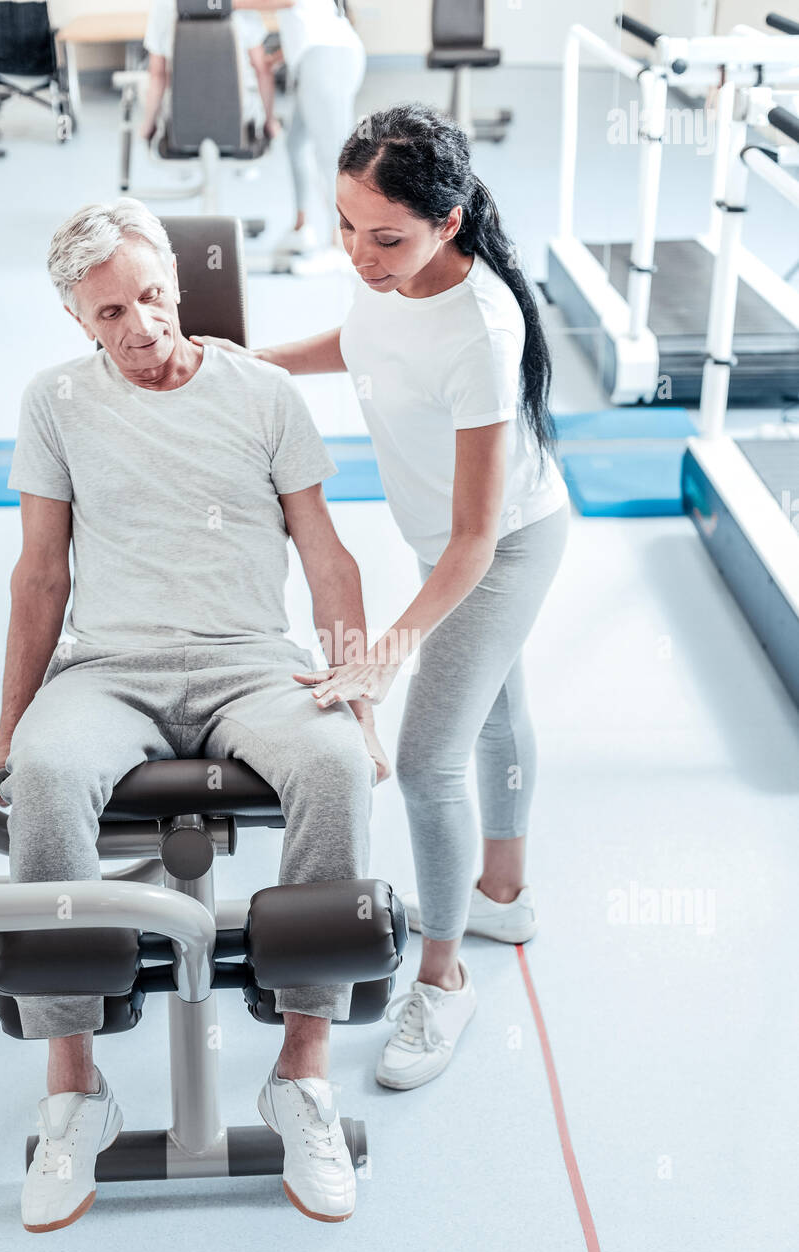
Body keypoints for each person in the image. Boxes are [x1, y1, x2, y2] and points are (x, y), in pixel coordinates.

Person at [0, 197, 390, 1231]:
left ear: (177, 280)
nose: (140, 326)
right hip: (109, 667)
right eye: (110, 311)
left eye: (152, 296)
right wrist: (9, 724)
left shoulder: (260, 392)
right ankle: (73, 1085)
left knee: (336, 766)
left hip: (250, 662)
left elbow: (326, 556)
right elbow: (40, 578)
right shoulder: (55, 403)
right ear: (78, 318)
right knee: (43, 771)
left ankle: (300, 1070)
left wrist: (354, 691)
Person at [193, 104, 571, 1091]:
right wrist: (257, 360)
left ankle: (442, 980)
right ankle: (504, 891)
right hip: (450, 543)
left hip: (500, 552)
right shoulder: (389, 273)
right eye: (345, 226)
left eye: (385, 237)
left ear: (447, 225)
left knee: (426, 757)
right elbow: (361, 341)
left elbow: (476, 541)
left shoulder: (480, 330)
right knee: (497, 714)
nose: (359, 253)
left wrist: (385, 650)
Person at [243, 0, 366, 265]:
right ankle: (302, 227)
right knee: (296, 144)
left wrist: (225, 5)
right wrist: (276, 58)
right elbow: (305, 22)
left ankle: (340, 243)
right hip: (323, 57)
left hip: (326, 59)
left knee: (331, 155)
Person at [141, 0, 278, 143]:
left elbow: (157, 76)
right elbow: (263, 71)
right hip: (240, 116)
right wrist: (270, 121)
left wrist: (148, 126)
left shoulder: (163, 5)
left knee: (148, 85)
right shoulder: (241, 3)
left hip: (182, 117)